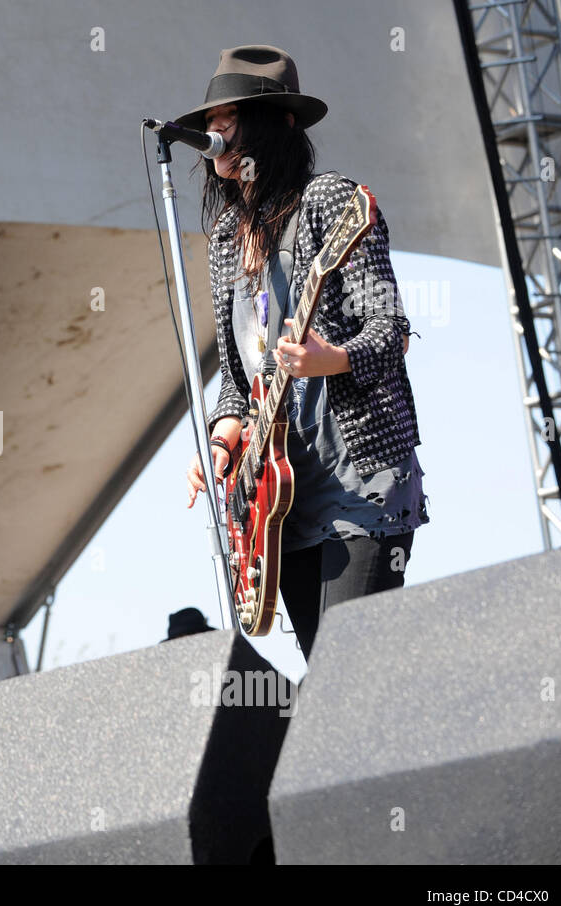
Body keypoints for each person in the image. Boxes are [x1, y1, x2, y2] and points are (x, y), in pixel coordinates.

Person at [181, 45, 428, 659]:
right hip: (276, 500)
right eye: (208, 124)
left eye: (226, 121)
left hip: (359, 476)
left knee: (353, 673)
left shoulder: (331, 201)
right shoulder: (224, 243)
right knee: (324, 684)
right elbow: (240, 380)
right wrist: (221, 440)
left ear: (276, 121)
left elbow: (391, 330)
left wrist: (331, 358)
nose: (212, 135)